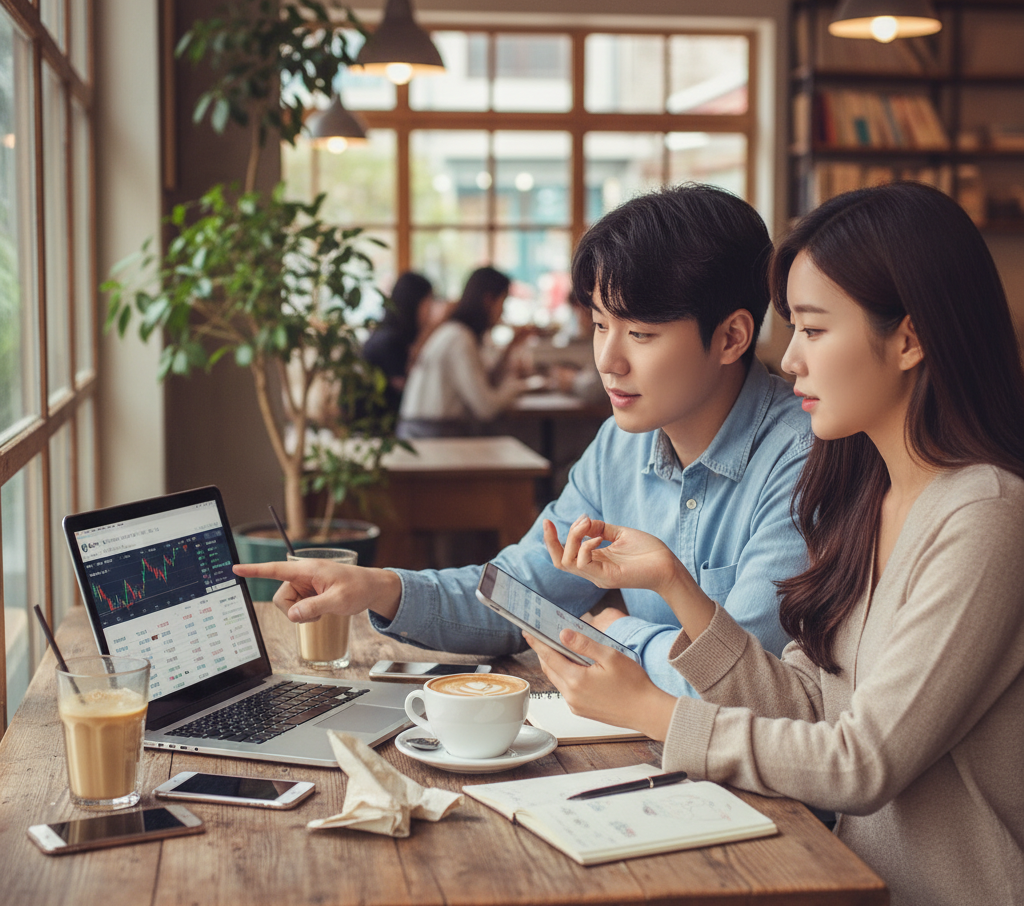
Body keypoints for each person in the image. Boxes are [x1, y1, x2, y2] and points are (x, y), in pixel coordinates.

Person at [525, 182, 1024, 906]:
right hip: (852, 890)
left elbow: (861, 763)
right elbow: (812, 700)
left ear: (909, 340)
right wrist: (675, 586)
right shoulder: (870, 491)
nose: (787, 357)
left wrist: (656, 712)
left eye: (814, 329)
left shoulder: (985, 516)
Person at [234, 184, 813, 697]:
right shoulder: (619, 445)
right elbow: (519, 597)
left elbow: (746, 681)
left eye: (639, 333)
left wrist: (613, 632)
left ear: (732, 336)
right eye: (600, 325)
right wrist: (379, 587)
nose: (608, 360)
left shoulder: (801, 458)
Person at [396, 266, 532, 439]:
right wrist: (516, 387)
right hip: (433, 435)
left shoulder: (453, 332)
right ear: (489, 300)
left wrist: (510, 349)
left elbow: (482, 385)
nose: (503, 311)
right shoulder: (460, 339)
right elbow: (486, 408)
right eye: (503, 301)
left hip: (419, 431)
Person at [361, 271, 437, 417]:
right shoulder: (389, 341)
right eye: (429, 301)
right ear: (415, 303)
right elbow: (411, 392)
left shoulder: (386, 333)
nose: (431, 310)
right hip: (376, 426)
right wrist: (427, 335)